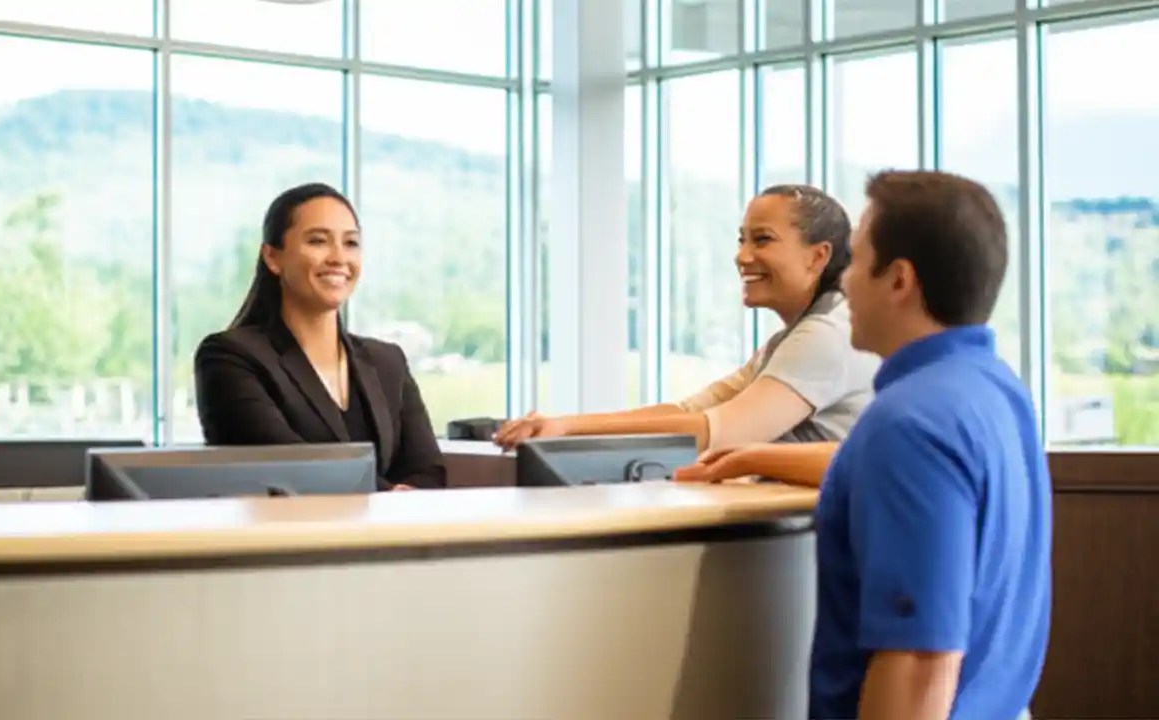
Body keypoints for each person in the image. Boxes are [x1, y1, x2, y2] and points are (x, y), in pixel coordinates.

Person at [722, 170, 1048, 720]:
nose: (843, 282)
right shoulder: (998, 390)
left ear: (899, 280)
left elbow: (920, 663)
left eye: (855, 262)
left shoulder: (909, 423)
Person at [494, 185, 879, 453]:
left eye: (762, 240)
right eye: (741, 239)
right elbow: (690, 411)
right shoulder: (792, 339)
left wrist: (569, 429)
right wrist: (565, 425)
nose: (742, 256)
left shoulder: (827, 333)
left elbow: (717, 432)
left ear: (818, 256)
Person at [193, 183, 446, 491]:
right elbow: (289, 466)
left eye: (351, 243)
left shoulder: (388, 361)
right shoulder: (229, 357)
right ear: (273, 257)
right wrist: (388, 498)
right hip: (289, 537)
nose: (339, 257)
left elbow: (429, 472)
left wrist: (396, 504)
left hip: (386, 536)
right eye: (318, 241)